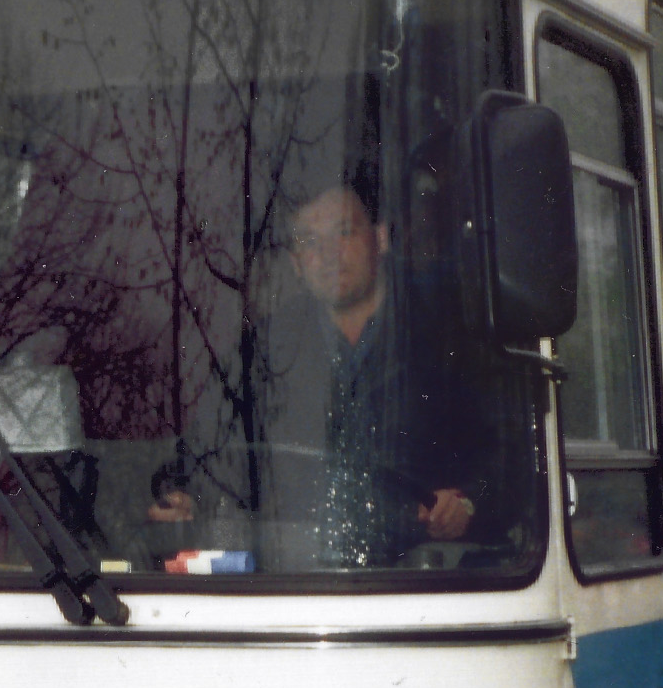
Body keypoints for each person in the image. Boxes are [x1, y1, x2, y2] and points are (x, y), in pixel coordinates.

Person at [150, 181, 486, 568]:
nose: (328, 254)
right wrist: (183, 499)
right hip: (296, 583)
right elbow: (202, 456)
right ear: (295, 264)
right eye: (310, 242)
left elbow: (510, 465)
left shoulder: (448, 338)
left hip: (425, 585)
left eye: (344, 231)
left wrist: (469, 502)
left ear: (379, 239)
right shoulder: (260, 356)